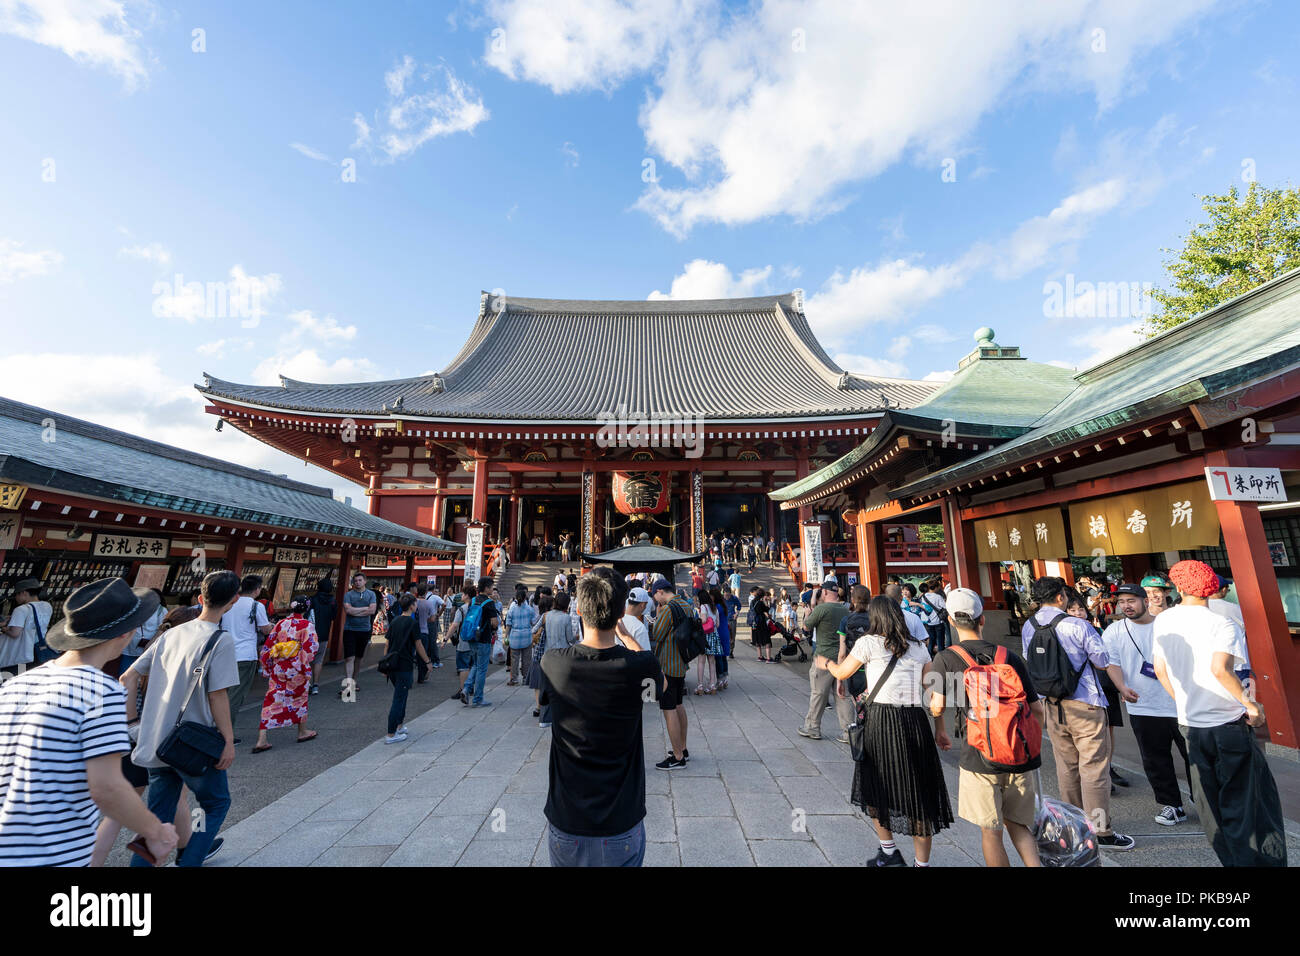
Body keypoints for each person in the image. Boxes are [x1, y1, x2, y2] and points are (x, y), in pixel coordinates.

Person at [0, 577, 179, 866]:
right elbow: (107, 787)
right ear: (126, 633)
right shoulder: (101, 690)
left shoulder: (16, 685)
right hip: (51, 853)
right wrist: (155, 831)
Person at [1152, 560, 1286, 867]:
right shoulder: (1223, 624)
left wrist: (1184, 701)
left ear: (1180, 587)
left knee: (1209, 805)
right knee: (1246, 803)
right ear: (1212, 588)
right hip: (1228, 723)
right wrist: (1251, 704)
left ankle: (1230, 861)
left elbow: (1161, 670)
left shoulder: (1164, 620)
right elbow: (1220, 669)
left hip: (1191, 725)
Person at [541, 567, 664, 865]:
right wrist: (628, 638)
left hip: (567, 818)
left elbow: (545, 700)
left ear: (579, 609)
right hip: (621, 819)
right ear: (622, 610)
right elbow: (662, 685)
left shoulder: (554, 663)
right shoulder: (640, 666)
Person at [122, 569, 241, 867]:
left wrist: (134, 722)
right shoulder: (220, 640)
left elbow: (128, 675)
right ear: (233, 601)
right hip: (192, 743)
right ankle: (190, 861)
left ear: (201, 598)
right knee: (216, 803)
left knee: (157, 816)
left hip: (156, 739)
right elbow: (217, 696)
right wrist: (227, 740)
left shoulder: (171, 634)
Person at [822, 596, 952, 866]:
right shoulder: (919, 648)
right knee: (919, 794)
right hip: (915, 721)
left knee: (875, 785)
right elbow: (935, 694)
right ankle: (921, 863)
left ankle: (889, 850)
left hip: (881, 720)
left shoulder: (868, 643)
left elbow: (844, 673)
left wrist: (826, 663)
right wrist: (940, 729)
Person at [924, 588, 1043, 867]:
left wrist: (937, 719)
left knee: (991, 831)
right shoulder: (1008, 656)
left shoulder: (946, 658)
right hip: (1018, 751)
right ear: (983, 619)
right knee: (1019, 824)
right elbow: (1036, 708)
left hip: (979, 753)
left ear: (951, 621)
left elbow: (938, 706)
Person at [1022, 576, 1138, 851]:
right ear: (1061, 597)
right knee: (1094, 767)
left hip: (1051, 703)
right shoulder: (1077, 625)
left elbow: (1030, 659)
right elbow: (1101, 661)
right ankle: (1101, 831)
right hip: (1084, 702)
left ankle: (1073, 826)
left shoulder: (1029, 626)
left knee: (1067, 766)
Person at [1100, 583, 1190, 826]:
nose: (1126, 606)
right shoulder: (1114, 631)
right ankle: (1172, 805)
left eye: (1131, 600)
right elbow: (1112, 663)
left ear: (1145, 600)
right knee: (1155, 759)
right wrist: (1121, 687)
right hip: (1142, 705)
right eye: (1122, 602)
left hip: (1179, 703)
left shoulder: (1167, 625)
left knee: (1194, 756)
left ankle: (1207, 801)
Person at [1065, 586, 1129, 793]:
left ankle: (1107, 768)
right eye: (1072, 611)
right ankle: (1096, 775)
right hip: (1084, 690)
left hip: (1104, 683)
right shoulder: (1064, 634)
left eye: (1080, 610)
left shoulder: (1099, 629)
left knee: (1108, 729)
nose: (1078, 614)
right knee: (1092, 733)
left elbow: (1109, 659)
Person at [251, 597, 318, 753]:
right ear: (305, 609)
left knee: (272, 698)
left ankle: (262, 739)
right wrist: (302, 660)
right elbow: (311, 649)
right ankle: (302, 731)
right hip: (297, 669)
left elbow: (269, 645)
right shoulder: (307, 625)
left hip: (279, 667)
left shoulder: (281, 624)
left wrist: (267, 666)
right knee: (300, 698)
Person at [798, 582, 852, 744]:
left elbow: (806, 627)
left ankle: (813, 727)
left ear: (826, 592)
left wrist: (808, 612)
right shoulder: (845, 609)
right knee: (843, 695)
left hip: (824, 657)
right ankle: (849, 731)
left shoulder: (822, 609)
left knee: (819, 693)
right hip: (843, 658)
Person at [219, 574, 271, 738]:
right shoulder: (256, 606)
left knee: (220, 693)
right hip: (245, 654)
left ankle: (215, 729)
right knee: (235, 696)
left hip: (224, 652)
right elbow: (265, 629)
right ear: (257, 589)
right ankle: (226, 734)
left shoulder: (228, 602)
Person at [650, 579, 691, 769]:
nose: (655, 599)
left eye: (654, 595)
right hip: (682, 662)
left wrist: (657, 615)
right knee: (679, 705)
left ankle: (677, 757)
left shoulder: (667, 609)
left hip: (667, 664)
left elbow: (657, 634)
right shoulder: (685, 604)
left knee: (669, 709)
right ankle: (682, 748)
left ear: (659, 592)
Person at [383, 594, 432, 744]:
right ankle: (391, 733)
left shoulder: (395, 621)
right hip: (404, 664)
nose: (416, 606)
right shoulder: (412, 623)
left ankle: (399, 726)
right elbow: (418, 645)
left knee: (402, 695)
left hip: (392, 664)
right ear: (411, 606)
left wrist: (386, 662)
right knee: (399, 697)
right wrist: (427, 661)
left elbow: (386, 644)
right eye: (415, 604)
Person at [535, 591, 575, 727]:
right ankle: (561, 716)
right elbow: (569, 639)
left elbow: (534, 629)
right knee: (562, 686)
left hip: (548, 654)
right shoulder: (566, 618)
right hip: (562, 655)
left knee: (547, 687)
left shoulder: (547, 615)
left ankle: (544, 719)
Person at [2, 577, 53, 673]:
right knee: (30, 675)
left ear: (24, 593)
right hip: (39, 650)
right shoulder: (47, 606)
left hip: (23, 652)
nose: (16, 598)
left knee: (18, 674)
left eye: (17, 594)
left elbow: (14, 633)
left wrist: (3, 628)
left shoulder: (21, 609)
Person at [340, 572, 377, 697]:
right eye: (355, 581)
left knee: (359, 658)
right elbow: (348, 610)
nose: (358, 582)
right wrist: (364, 609)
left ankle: (354, 680)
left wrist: (356, 611)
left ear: (365, 581)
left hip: (364, 629)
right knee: (349, 657)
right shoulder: (348, 595)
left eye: (360, 580)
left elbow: (372, 610)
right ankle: (349, 684)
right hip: (350, 629)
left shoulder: (371, 594)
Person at [465, 577, 500, 708]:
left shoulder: (473, 600)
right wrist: (495, 629)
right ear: (486, 588)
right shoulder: (489, 603)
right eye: (491, 587)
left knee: (475, 664)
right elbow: (494, 622)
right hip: (483, 638)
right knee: (481, 669)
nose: (492, 589)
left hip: (472, 637)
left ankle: (466, 689)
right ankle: (478, 699)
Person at [119, 588, 167, 675]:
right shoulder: (136, 607)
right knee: (124, 672)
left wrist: (151, 643)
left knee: (141, 675)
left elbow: (163, 628)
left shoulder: (161, 610)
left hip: (148, 647)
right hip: (130, 647)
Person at [448, 582, 478, 704]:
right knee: (473, 665)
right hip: (475, 640)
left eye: (463, 593)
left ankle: (463, 690)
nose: (461, 595)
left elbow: (455, 625)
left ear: (466, 595)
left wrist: (445, 638)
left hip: (464, 640)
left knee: (463, 667)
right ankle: (470, 688)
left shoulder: (462, 609)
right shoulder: (477, 607)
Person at [506, 583, 540, 687]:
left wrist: (506, 636)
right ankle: (526, 678)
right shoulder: (529, 609)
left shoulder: (512, 609)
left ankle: (514, 679)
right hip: (526, 636)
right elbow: (534, 621)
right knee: (527, 659)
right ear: (525, 597)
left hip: (514, 636)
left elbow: (508, 624)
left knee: (515, 659)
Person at [307, 576, 336, 696]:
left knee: (307, 660)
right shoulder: (333, 601)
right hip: (324, 633)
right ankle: (315, 685)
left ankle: (306, 684)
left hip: (310, 634)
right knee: (318, 660)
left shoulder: (312, 599)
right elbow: (334, 616)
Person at [693, 589, 720, 694]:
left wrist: (697, 622)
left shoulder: (703, 607)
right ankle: (712, 685)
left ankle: (700, 686)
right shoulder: (714, 608)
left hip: (704, 636)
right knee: (712, 662)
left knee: (701, 661)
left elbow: (703, 620)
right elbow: (717, 624)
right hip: (714, 635)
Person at [708, 586, 731, 691]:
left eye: (711, 596)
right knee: (723, 657)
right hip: (725, 632)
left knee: (718, 657)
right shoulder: (723, 605)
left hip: (719, 633)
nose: (710, 598)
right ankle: (725, 678)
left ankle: (720, 679)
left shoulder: (717, 607)